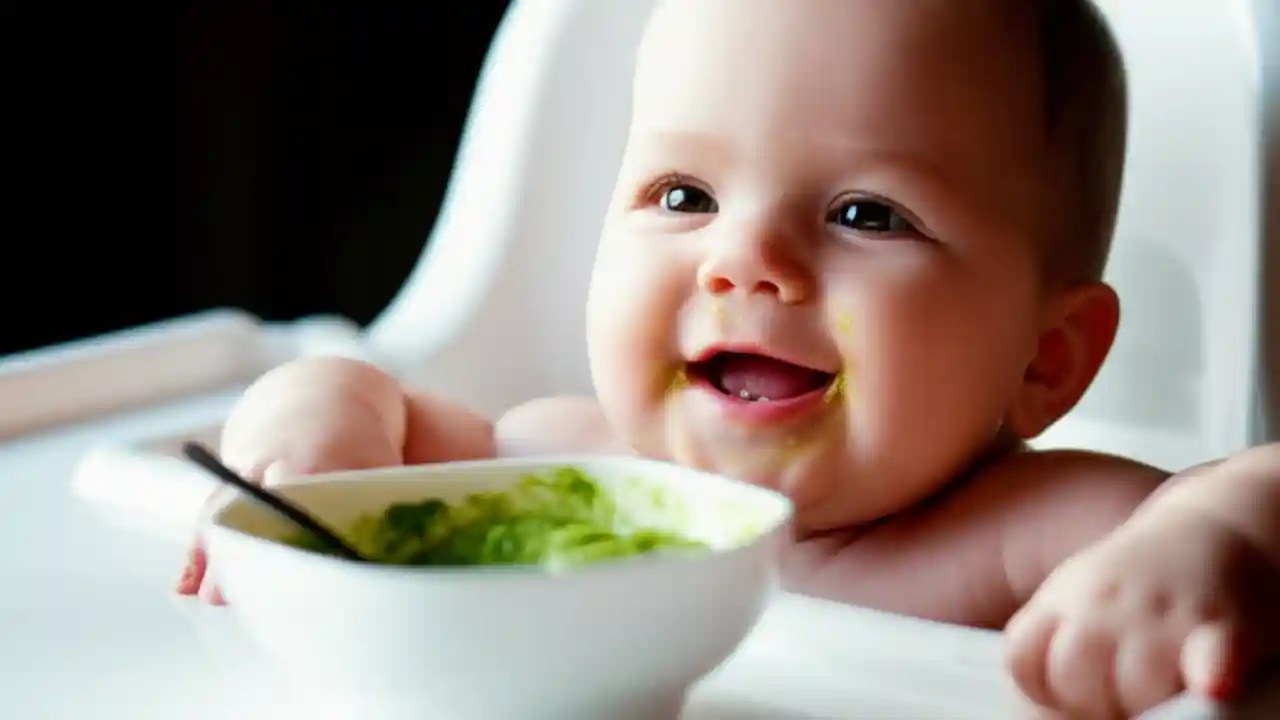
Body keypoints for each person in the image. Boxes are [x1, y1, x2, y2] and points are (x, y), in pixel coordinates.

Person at [176, 1, 1280, 716]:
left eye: (864, 213)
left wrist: (1212, 541)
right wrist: (311, 421)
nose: (743, 258)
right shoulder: (576, 463)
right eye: (682, 196)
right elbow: (374, 415)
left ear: (1043, 360)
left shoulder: (1030, 536)